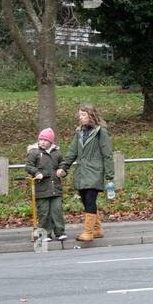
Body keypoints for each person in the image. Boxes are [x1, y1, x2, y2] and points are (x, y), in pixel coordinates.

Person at [57, 103, 114, 243]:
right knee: (85, 200)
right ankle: (97, 229)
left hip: (95, 171)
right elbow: (72, 151)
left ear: (91, 115)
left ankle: (88, 232)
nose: (81, 117)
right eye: (80, 115)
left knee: (90, 199)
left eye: (83, 115)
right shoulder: (79, 132)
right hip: (82, 171)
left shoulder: (101, 132)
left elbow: (107, 155)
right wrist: (64, 167)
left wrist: (110, 176)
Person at [25, 128, 66, 242]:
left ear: (51, 142)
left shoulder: (56, 153)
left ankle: (60, 232)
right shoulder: (34, 153)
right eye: (40, 139)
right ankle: (45, 234)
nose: (42, 142)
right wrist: (36, 173)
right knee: (44, 212)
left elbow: (62, 163)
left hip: (55, 188)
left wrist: (62, 170)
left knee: (57, 210)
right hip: (41, 189)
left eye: (45, 140)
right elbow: (28, 166)